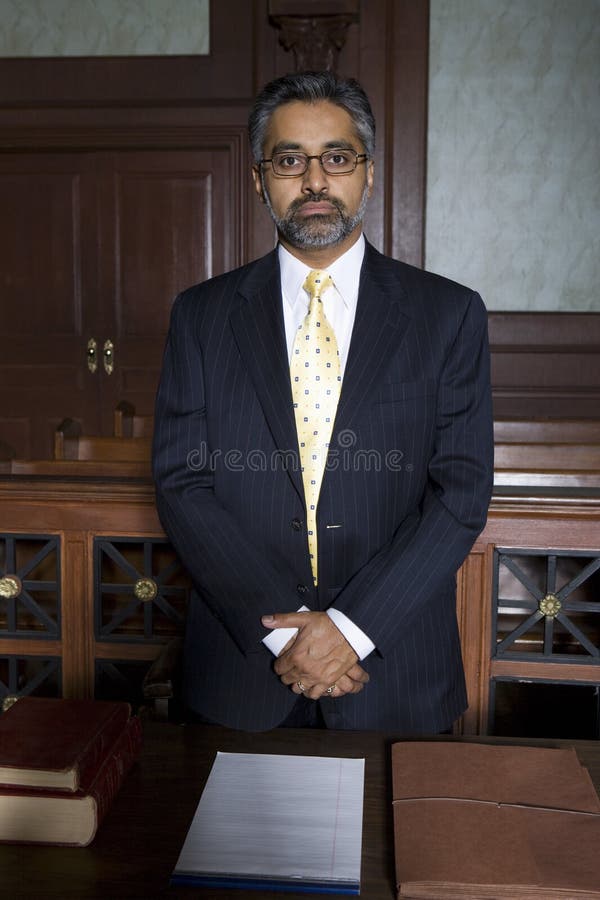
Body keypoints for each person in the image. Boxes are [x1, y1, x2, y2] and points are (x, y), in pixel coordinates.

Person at [152, 71, 494, 733]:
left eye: (336, 158)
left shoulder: (447, 315)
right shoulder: (201, 316)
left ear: (367, 173)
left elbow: (462, 489)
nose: (314, 181)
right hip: (242, 671)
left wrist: (353, 629)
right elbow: (182, 483)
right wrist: (289, 638)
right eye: (289, 160)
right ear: (260, 180)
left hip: (393, 669)